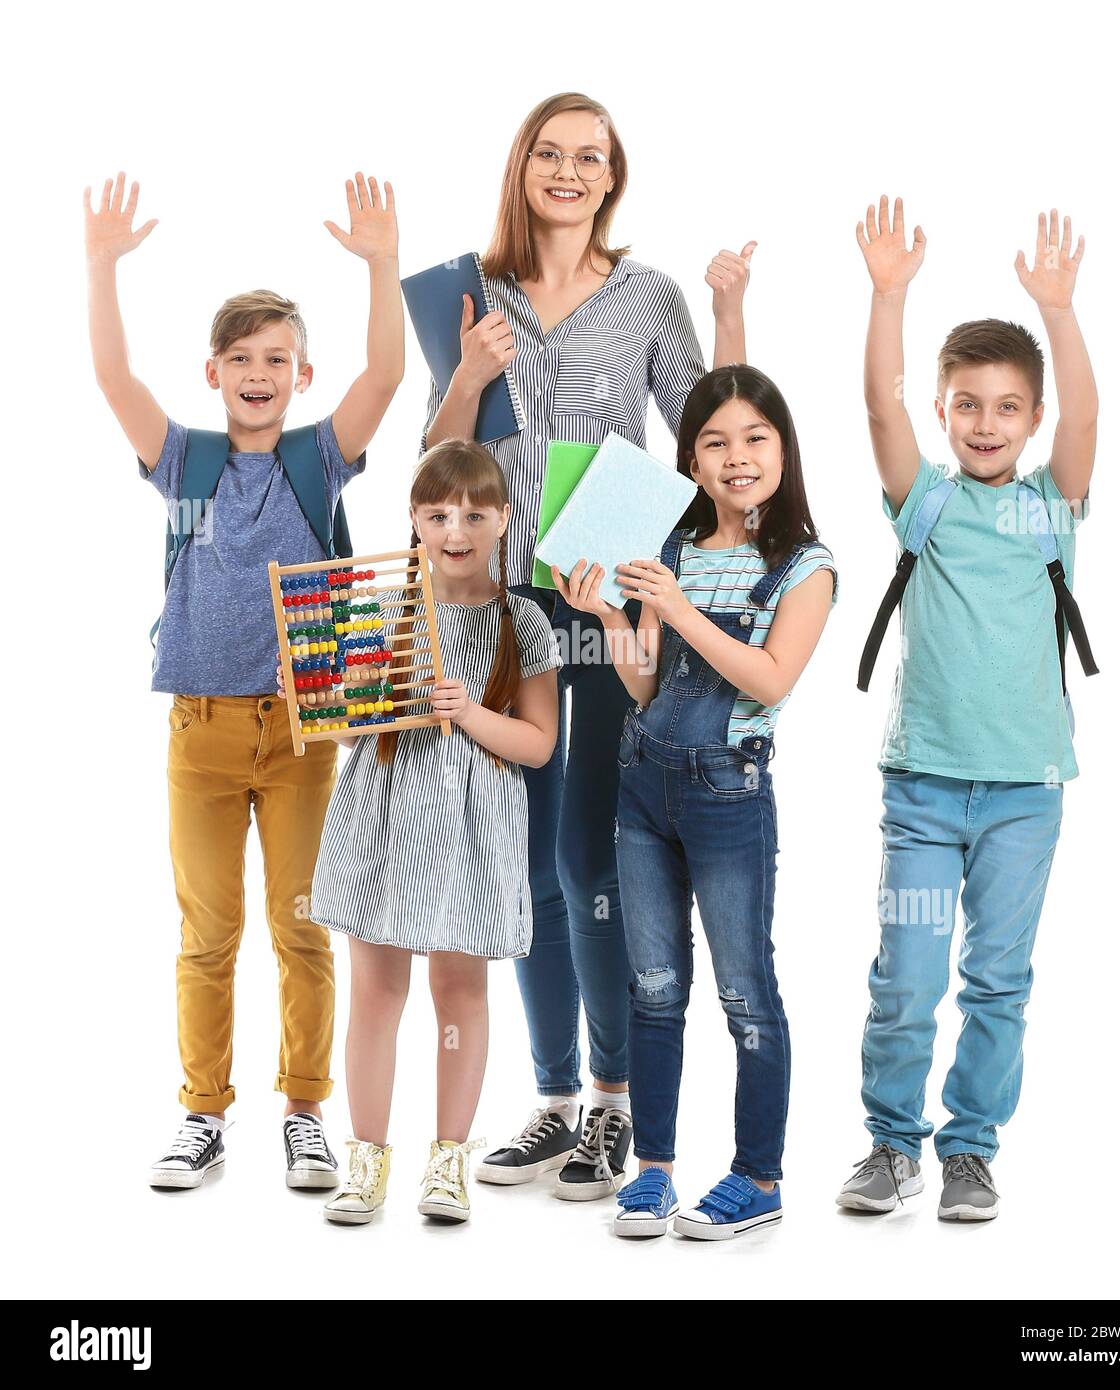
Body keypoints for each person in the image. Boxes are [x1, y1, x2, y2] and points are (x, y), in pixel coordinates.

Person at [424, 91, 756, 1198]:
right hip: (505, 608)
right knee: (523, 869)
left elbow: (718, 426)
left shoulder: (649, 295)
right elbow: (440, 467)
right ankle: (554, 1097)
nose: (569, 172)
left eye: (591, 158)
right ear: (524, 169)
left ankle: (614, 1104)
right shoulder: (475, 292)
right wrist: (471, 371)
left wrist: (728, 305)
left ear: (614, 176)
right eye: (550, 155)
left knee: (593, 856)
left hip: (610, 604)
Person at [85, 171, 405, 1191]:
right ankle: (201, 1114)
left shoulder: (321, 459)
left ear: (303, 376)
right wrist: (101, 266)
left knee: (302, 927)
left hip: (305, 730)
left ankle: (304, 1111)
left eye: (277, 358)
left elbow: (389, 375)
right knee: (208, 932)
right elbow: (114, 378)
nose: (258, 372)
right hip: (203, 733)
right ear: (215, 372)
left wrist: (382, 265)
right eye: (241, 359)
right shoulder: (182, 460)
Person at [837, 198, 1097, 1221]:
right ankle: (890, 1144)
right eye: (966, 404)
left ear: (1030, 418)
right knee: (906, 972)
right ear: (945, 413)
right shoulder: (925, 502)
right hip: (925, 791)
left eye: (1006, 406)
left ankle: (970, 1149)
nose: (985, 422)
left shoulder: (1051, 507)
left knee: (998, 978)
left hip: (1027, 794)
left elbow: (1088, 419)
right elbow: (876, 409)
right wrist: (888, 294)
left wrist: (1060, 314)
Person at [554, 365, 837, 1238]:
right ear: (691, 459)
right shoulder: (668, 548)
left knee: (746, 993)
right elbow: (644, 688)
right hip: (643, 787)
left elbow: (772, 677)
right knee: (654, 987)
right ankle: (653, 1171)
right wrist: (609, 619)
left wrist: (674, 607)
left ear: (784, 451)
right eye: (714, 442)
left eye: (755, 438)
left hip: (727, 795)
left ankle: (758, 1178)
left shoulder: (805, 566)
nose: (736, 457)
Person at [312, 440, 560, 1225]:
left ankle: (448, 1160)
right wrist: (336, 700)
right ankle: (366, 1159)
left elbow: (538, 743)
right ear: (415, 520)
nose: (457, 529)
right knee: (378, 994)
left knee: (459, 991)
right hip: (386, 815)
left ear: (503, 520)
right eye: (438, 514)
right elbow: (347, 732)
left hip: (472, 826)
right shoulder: (384, 608)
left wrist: (470, 713)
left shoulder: (523, 618)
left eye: (475, 514)